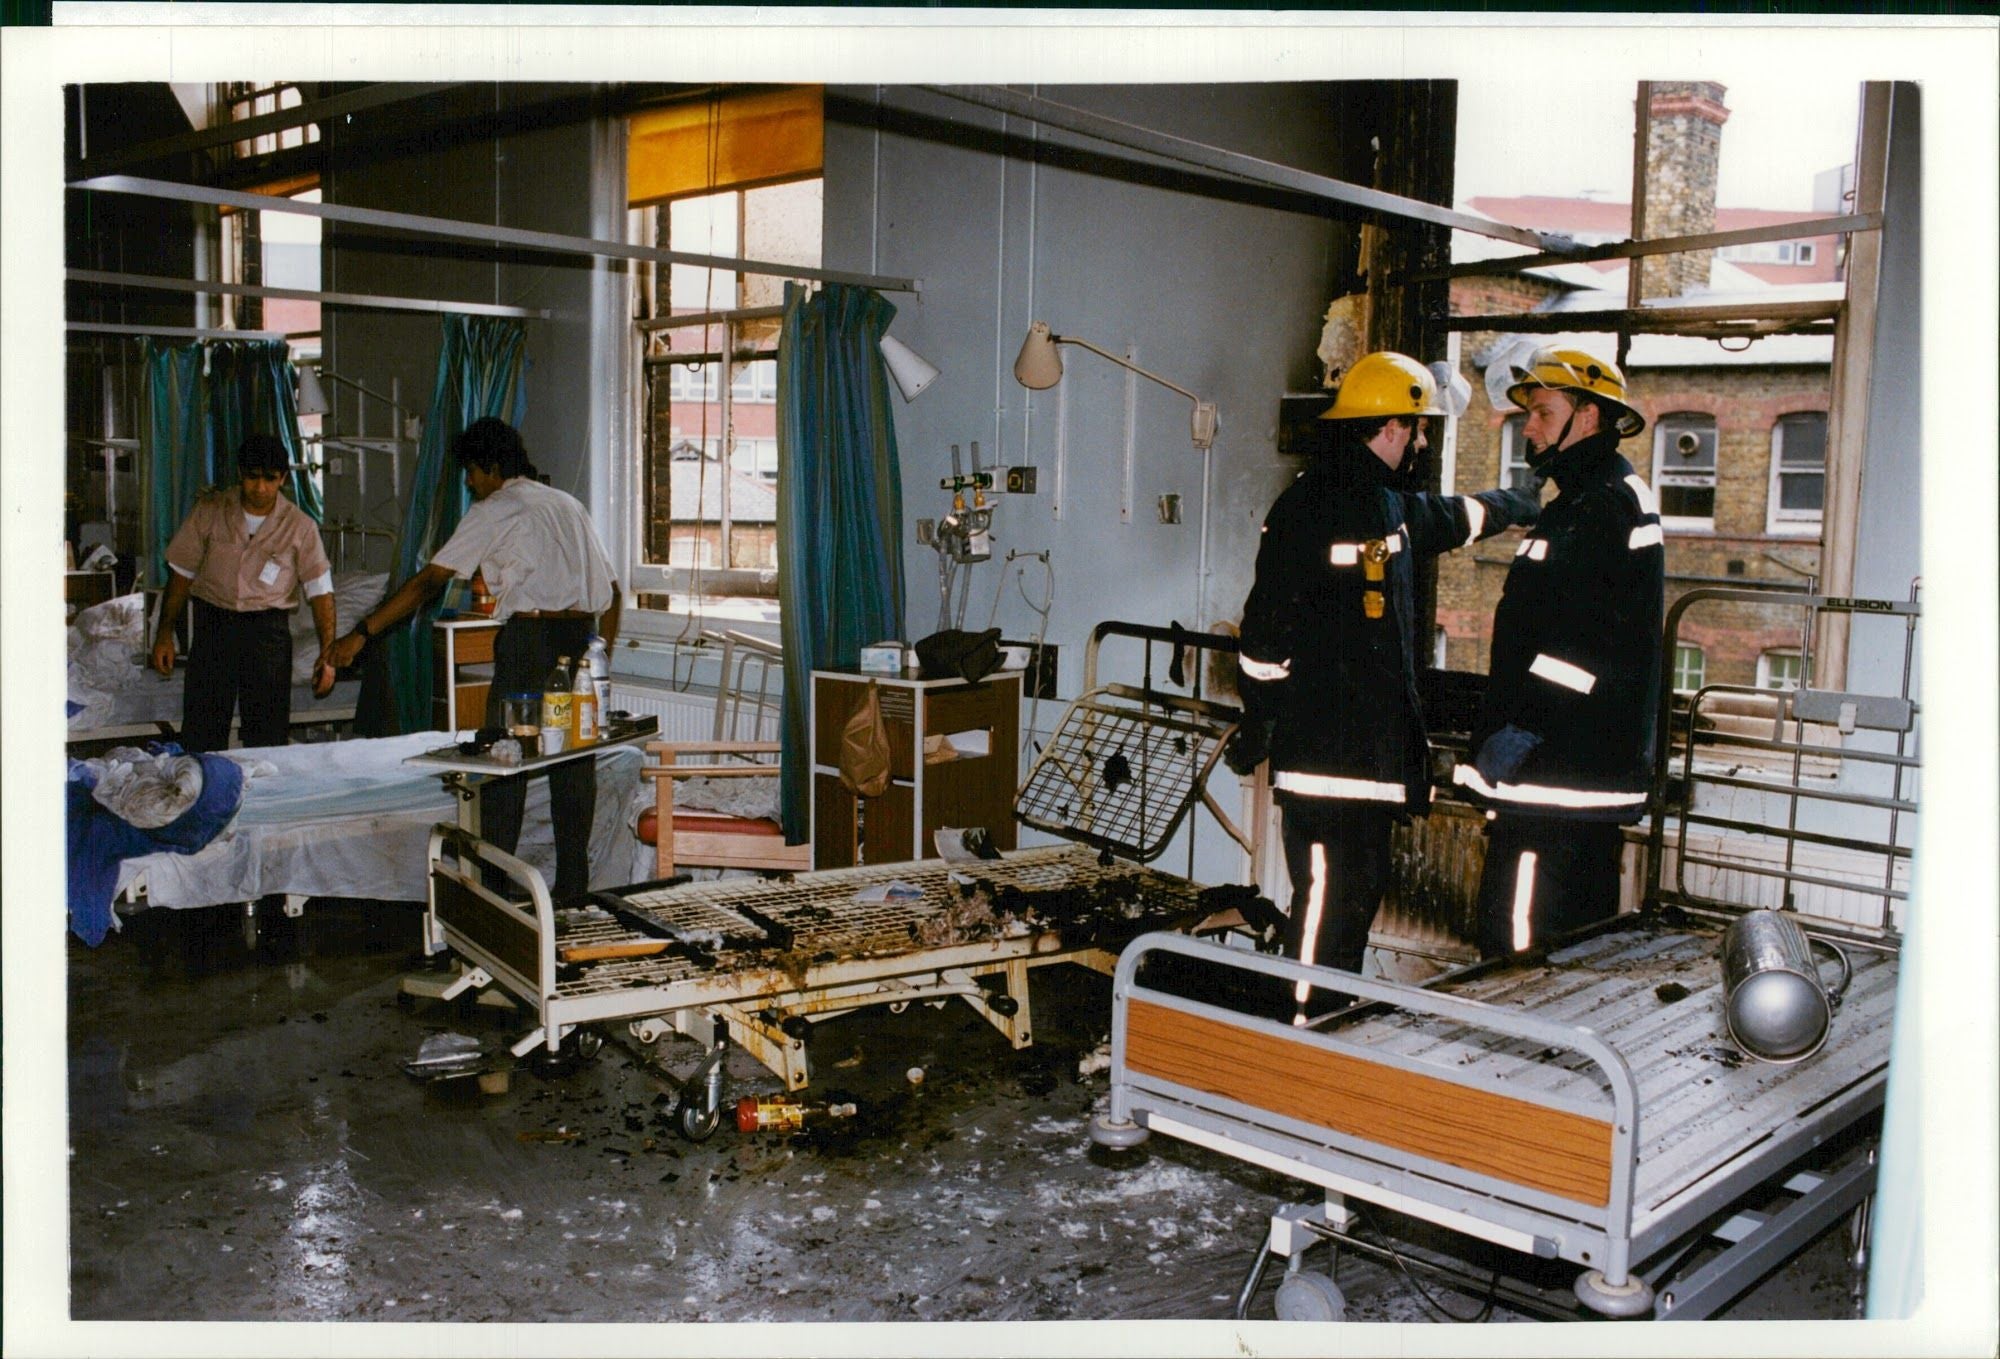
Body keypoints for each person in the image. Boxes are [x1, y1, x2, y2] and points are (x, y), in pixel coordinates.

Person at [1231, 351, 1541, 1023]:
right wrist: (1267, 716)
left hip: (1363, 771)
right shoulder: (1315, 507)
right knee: (1326, 911)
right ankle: (1301, 1033)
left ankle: (1327, 1023)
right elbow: (1262, 642)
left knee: (1345, 909)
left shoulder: (1385, 505)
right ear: (1393, 426)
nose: (1424, 443)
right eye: (1421, 428)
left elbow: (1455, 517)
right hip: (1327, 770)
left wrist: (1520, 503)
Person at [318, 418, 621, 902]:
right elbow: (615, 592)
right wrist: (601, 656)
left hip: (530, 642)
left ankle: (493, 897)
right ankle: (572, 894)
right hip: (582, 640)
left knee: (503, 763)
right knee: (572, 765)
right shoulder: (568, 504)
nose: (469, 482)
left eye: (472, 472)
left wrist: (362, 633)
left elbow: (428, 582)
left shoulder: (495, 508)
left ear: (492, 467)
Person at [1453, 344, 1664, 959]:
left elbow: (1577, 648)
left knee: (1517, 956)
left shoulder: (1599, 507)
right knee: (1568, 958)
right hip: (1572, 778)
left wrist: (1520, 732)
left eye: (1544, 412)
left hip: (1555, 777)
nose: (1530, 427)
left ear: (1589, 416)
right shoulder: (1589, 498)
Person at [151, 433, 337, 752]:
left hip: (267, 634)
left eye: (270, 479)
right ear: (240, 474)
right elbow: (181, 575)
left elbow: (321, 593)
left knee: (267, 736)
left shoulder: (300, 526)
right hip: (214, 626)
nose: (260, 488)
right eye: (252, 477)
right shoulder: (210, 511)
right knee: (202, 732)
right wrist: (164, 633)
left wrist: (328, 656)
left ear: (283, 479)